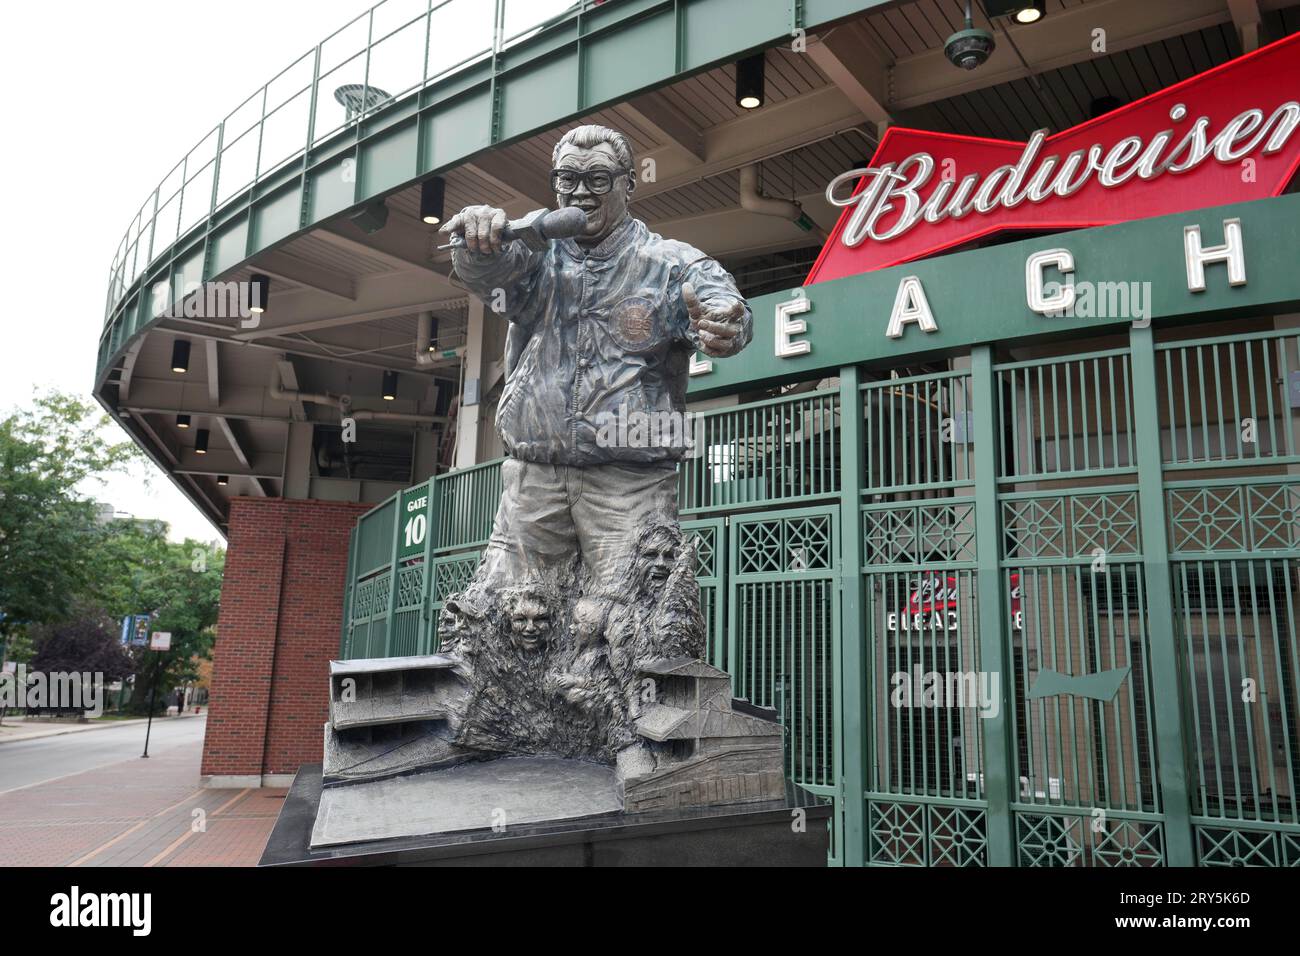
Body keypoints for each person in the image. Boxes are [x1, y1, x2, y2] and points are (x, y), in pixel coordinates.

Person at [441, 124, 752, 590]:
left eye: (598, 179)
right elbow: (487, 275)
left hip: (631, 484)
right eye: (567, 179)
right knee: (505, 618)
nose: (581, 192)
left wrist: (726, 324)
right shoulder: (533, 254)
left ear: (629, 183)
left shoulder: (670, 263)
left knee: (634, 623)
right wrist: (479, 241)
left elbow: (723, 305)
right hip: (534, 478)